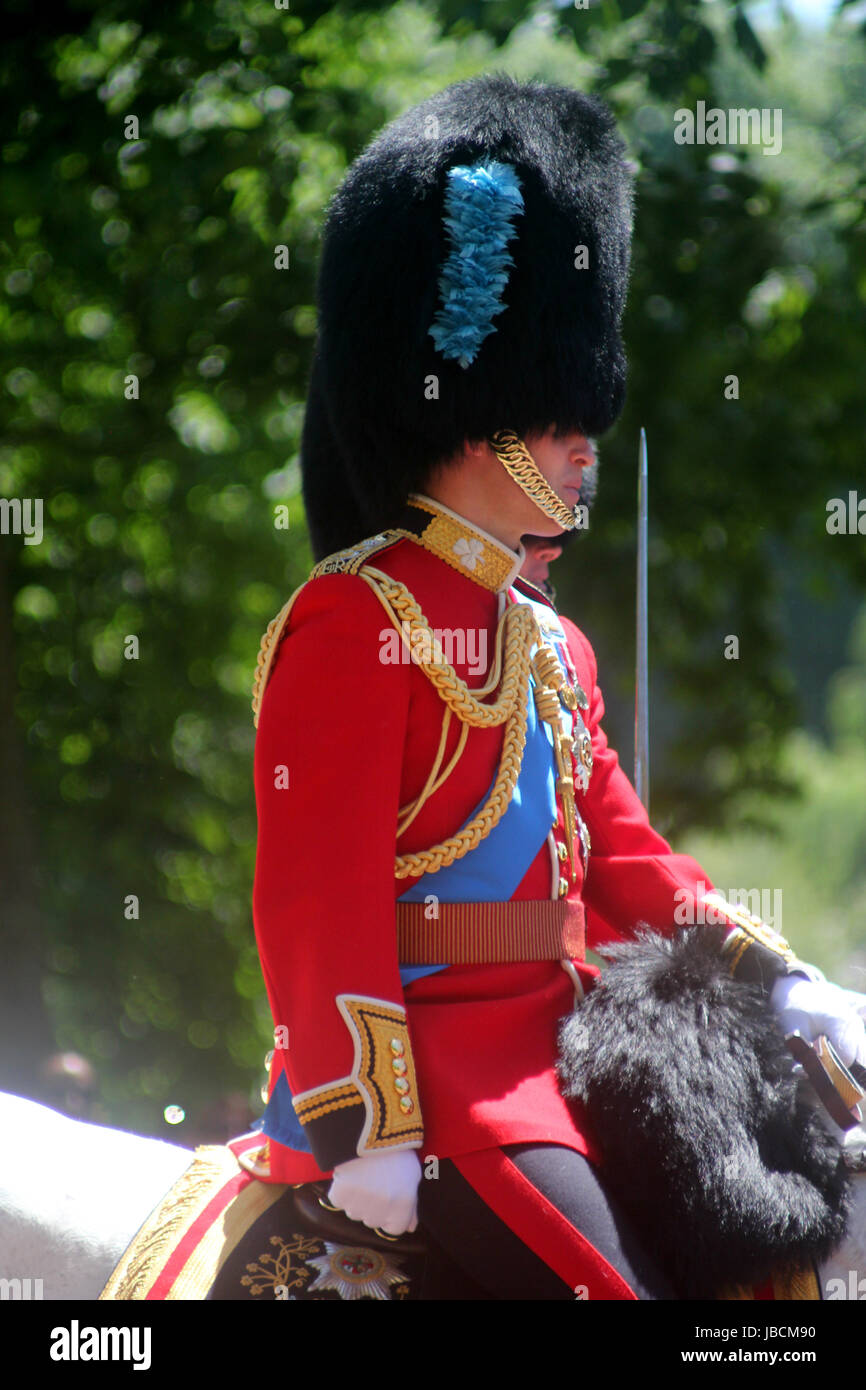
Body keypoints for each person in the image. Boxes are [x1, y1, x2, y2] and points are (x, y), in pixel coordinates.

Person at [248, 74, 866, 1298]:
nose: (586, 445)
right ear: (473, 416)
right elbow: (314, 902)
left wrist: (777, 976)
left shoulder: (549, 642)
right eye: (554, 417)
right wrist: (363, 1120)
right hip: (449, 1088)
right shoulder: (354, 616)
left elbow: (627, 858)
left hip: (571, 1052)